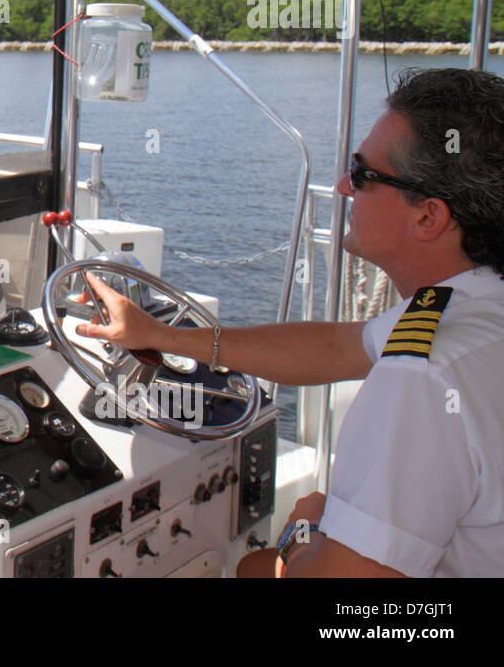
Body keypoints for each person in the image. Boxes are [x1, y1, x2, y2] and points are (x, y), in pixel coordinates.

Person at [77, 67, 504, 577]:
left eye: (364, 174)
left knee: (251, 568)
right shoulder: (472, 308)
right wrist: (159, 336)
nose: (344, 187)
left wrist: (303, 529)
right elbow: (332, 349)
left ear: (428, 217)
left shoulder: (422, 376)